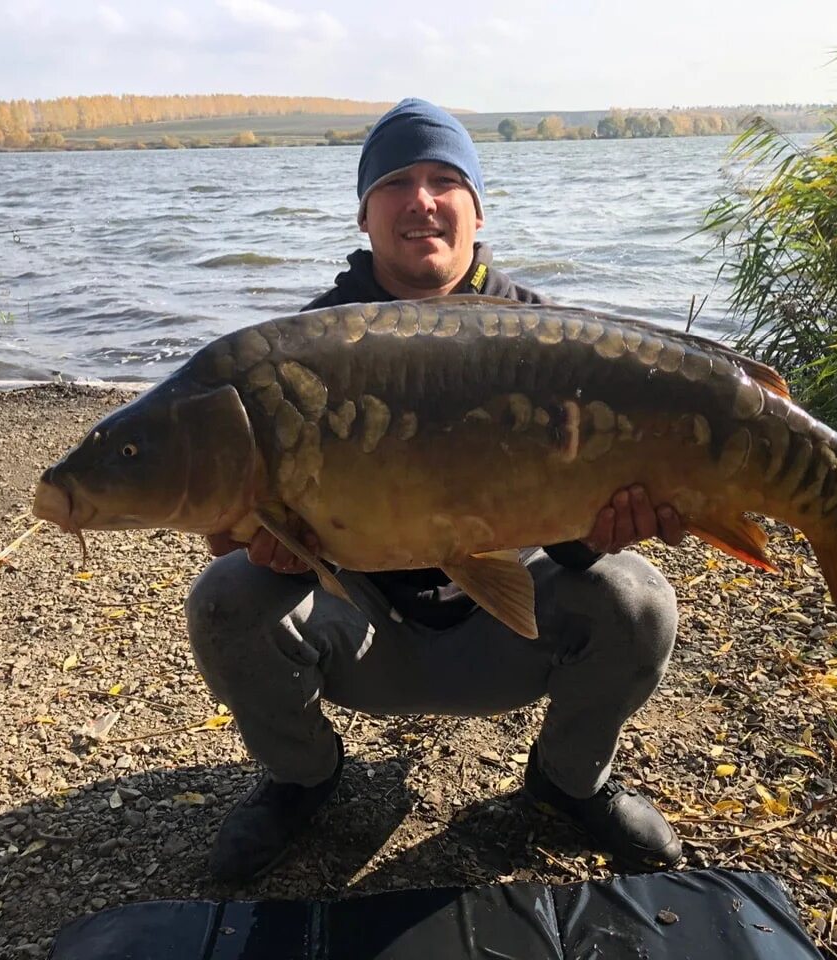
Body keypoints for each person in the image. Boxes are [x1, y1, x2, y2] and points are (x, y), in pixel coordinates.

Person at [186, 98, 690, 884]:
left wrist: (601, 529)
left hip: (506, 622)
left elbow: (569, 545)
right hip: (363, 632)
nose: (421, 199)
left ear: (476, 208)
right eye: (396, 182)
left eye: (445, 179)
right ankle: (302, 778)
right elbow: (231, 531)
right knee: (224, 593)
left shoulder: (547, 342)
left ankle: (569, 782)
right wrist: (269, 545)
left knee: (638, 597)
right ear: (364, 214)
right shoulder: (300, 356)